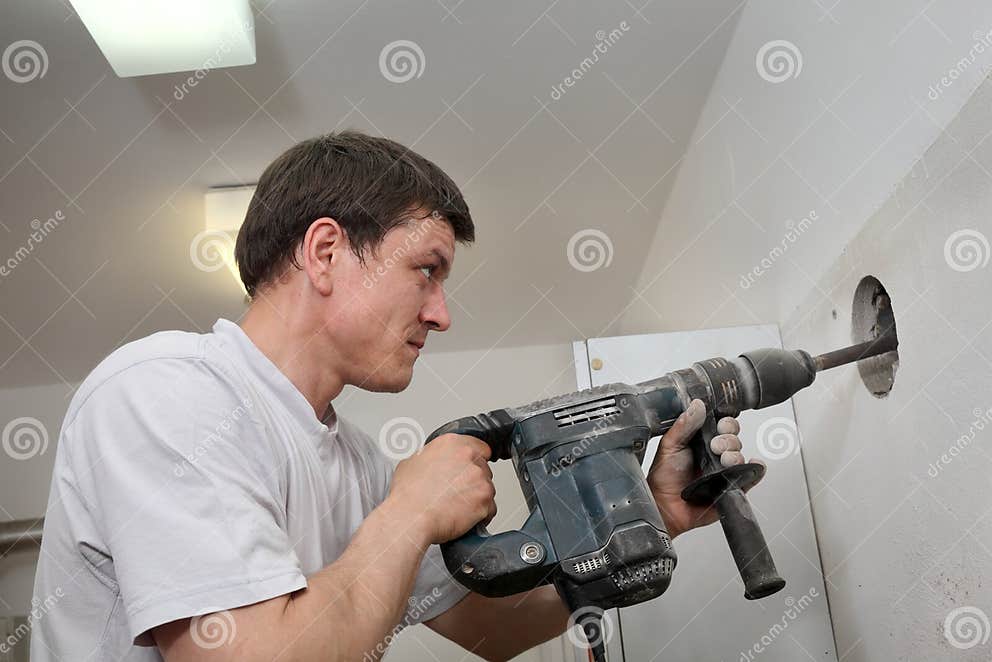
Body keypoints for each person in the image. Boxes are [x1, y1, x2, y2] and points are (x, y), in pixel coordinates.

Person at [30, 131, 764, 661]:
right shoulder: (166, 392)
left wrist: (656, 517)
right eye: (426, 270)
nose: (442, 313)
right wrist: (410, 512)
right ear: (325, 253)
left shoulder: (359, 467)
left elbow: (491, 630)